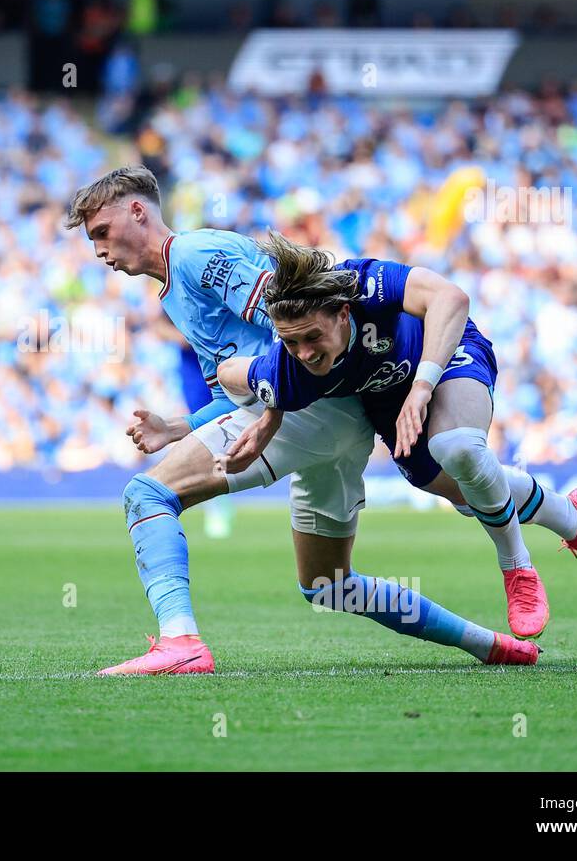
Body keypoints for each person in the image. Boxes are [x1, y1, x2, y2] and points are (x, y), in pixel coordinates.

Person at [66, 166, 541, 673]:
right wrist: (180, 427)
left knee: (148, 494)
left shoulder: (194, 255)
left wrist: (273, 411)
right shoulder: (174, 288)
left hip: (307, 407)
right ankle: (489, 643)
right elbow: (245, 380)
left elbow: (291, 323)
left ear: (137, 210)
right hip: (332, 421)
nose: (99, 250)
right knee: (328, 584)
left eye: (101, 232)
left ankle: (180, 642)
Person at [217, 235, 577, 638]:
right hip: (390, 402)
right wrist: (271, 410)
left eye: (312, 338)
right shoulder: (290, 368)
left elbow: (452, 299)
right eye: (291, 342)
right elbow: (229, 373)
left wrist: (423, 386)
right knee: (470, 495)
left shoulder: (364, 284)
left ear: (343, 314)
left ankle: (517, 566)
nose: (304, 352)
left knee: (458, 446)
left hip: (445, 356)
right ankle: (575, 516)